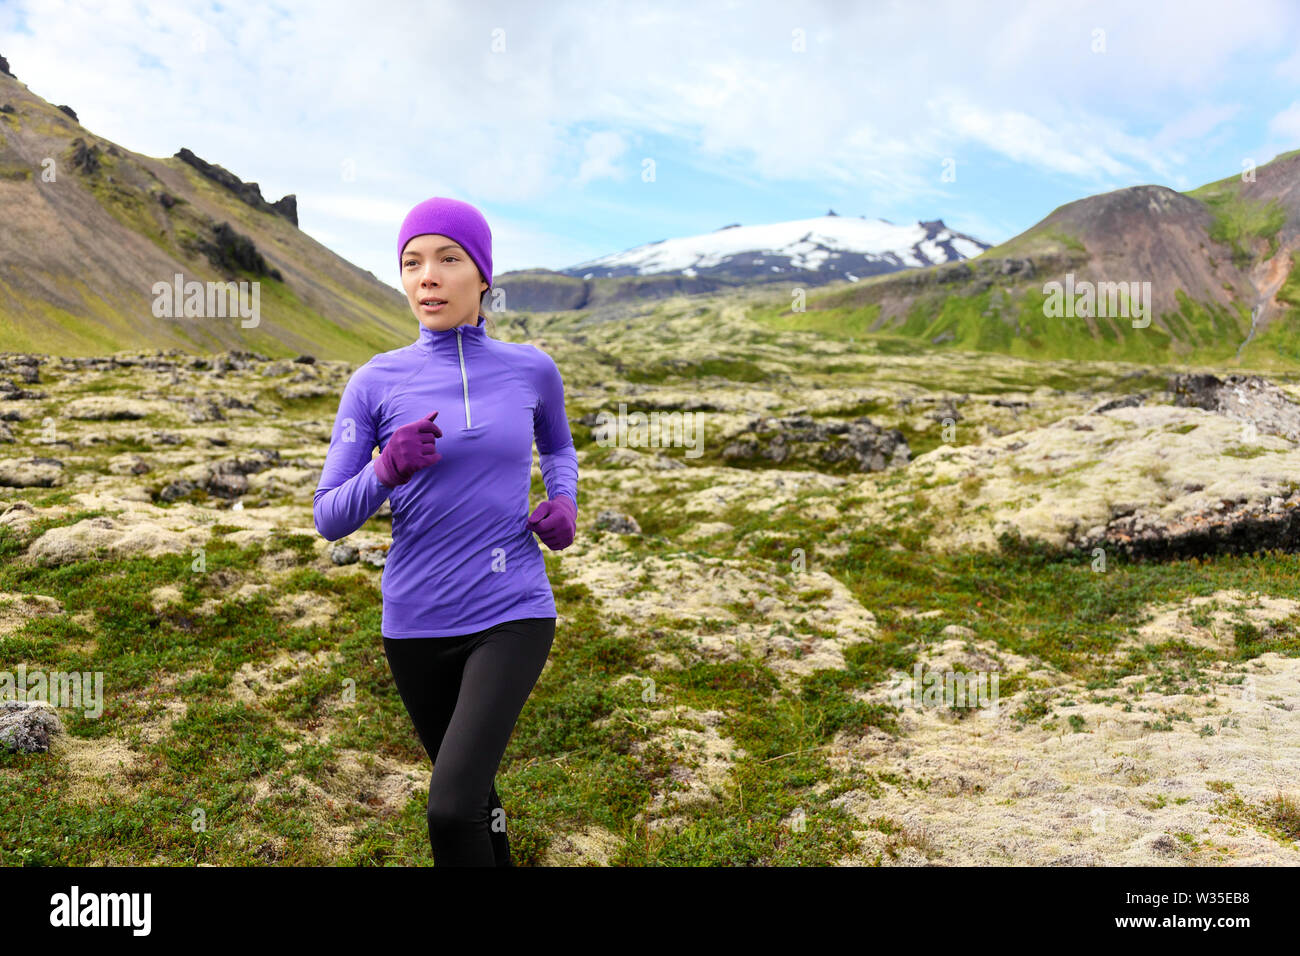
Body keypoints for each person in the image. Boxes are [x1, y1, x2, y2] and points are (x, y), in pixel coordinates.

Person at [312, 197, 578, 866]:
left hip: (511, 609)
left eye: (447, 259)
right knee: (477, 800)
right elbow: (329, 517)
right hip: (415, 624)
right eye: (411, 262)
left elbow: (560, 451)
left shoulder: (531, 369)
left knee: (450, 805)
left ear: (483, 275)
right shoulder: (373, 382)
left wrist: (564, 504)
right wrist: (383, 468)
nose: (426, 276)